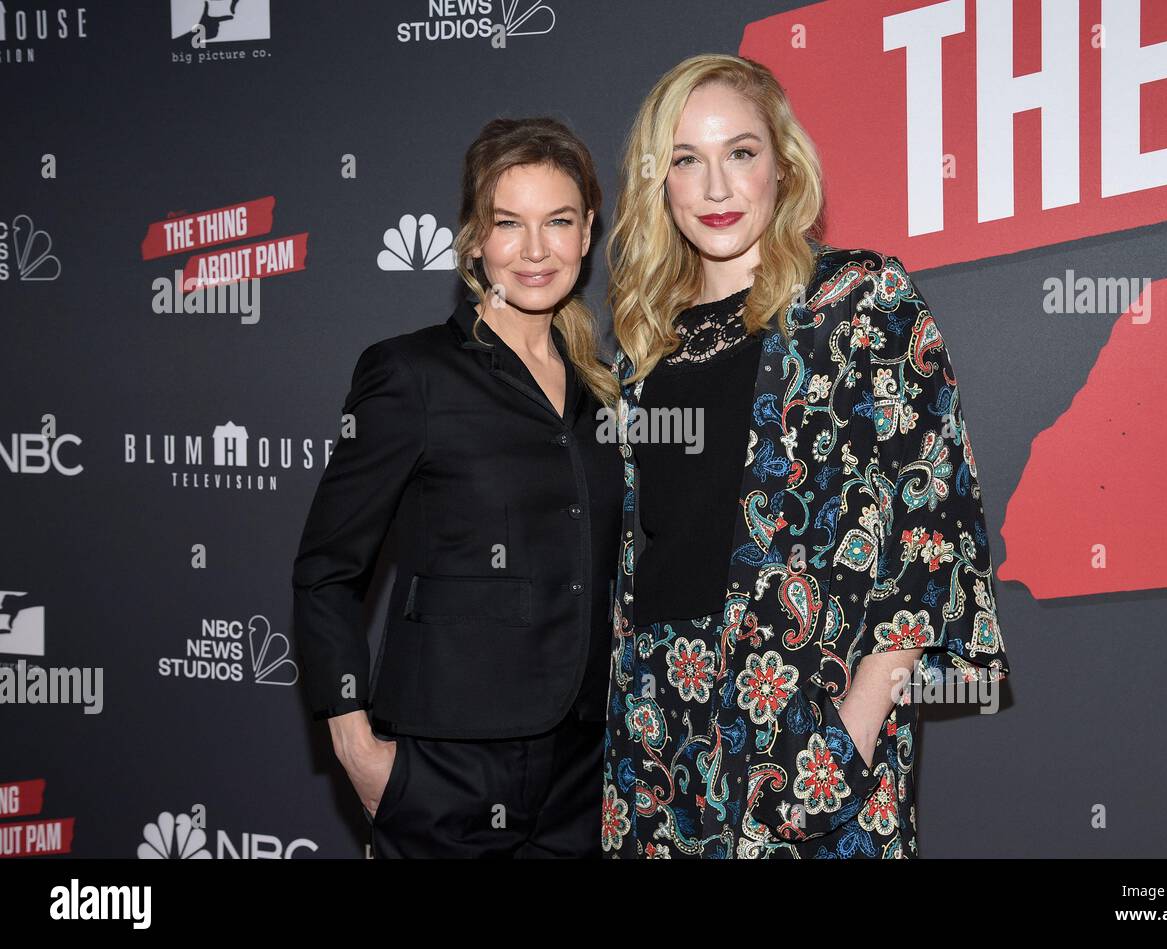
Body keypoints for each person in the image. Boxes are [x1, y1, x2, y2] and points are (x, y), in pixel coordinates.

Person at [599, 54, 1011, 858]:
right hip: (658, 731)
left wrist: (854, 724)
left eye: (740, 153)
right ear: (659, 182)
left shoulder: (861, 300)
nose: (716, 188)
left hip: (806, 717)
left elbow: (933, 526)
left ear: (782, 165)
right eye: (686, 160)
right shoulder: (641, 353)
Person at [291, 117, 623, 858]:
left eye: (559, 221)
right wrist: (357, 746)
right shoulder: (410, 374)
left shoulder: (603, 395)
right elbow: (326, 570)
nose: (536, 250)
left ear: (588, 231)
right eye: (510, 223)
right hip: (447, 766)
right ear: (474, 238)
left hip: (584, 769)